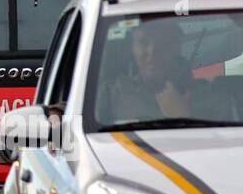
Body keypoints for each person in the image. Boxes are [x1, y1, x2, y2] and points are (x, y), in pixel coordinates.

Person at [98, 19, 229, 123]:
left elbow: (221, 150)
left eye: (163, 44)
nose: (153, 52)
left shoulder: (208, 96)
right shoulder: (109, 97)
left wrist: (182, 117)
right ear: (132, 47)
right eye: (144, 42)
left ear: (177, 48)